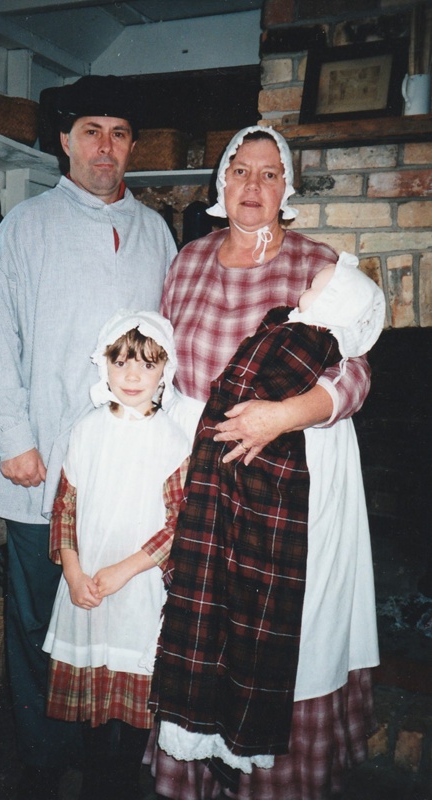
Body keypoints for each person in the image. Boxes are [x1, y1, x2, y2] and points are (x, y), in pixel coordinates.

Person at [0, 75, 177, 797]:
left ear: (133, 145)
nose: (104, 147)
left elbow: (172, 352)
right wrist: (11, 436)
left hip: (130, 485)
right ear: (64, 141)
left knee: (118, 626)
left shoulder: (156, 233)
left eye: (117, 132)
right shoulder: (27, 226)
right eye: (90, 131)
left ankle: (112, 768)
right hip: (41, 467)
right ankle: (45, 768)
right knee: (42, 629)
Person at [147, 126, 382, 800]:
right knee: (200, 619)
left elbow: (357, 378)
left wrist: (282, 414)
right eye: (241, 171)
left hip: (291, 472)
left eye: (270, 174)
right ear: (221, 181)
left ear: (288, 188)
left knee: (276, 629)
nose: (253, 188)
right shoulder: (187, 259)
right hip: (198, 463)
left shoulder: (318, 261)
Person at [42, 309, 203, 799]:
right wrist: (72, 570)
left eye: (147, 364)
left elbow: (181, 523)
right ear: (104, 365)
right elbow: (65, 505)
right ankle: (94, 784)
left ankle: (121, 783)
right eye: (122, 362)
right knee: (94, 705)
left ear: (164, 372)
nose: (132, 375)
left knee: (133, 705)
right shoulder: (86, 431)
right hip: (85, 585)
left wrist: (126, 570)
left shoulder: (173, 441)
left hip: (138, 588)